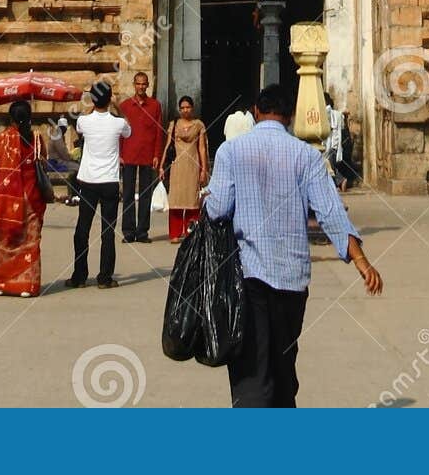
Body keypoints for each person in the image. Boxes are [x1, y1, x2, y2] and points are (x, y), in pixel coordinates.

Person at [204, 85, 383, 407]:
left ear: (256, 113)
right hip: (292, 277)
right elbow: (331, 215)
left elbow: (217, 210)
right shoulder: (307, 156)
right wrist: (362, 261)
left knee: (251, 365)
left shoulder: (231, 152)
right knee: (283, 363)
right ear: (289, 118)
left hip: (248, 274)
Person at [0, 99, 47, 297]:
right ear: (29, 117)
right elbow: (43, 164)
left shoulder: (4, 138)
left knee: (1, 239)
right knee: (28, 242)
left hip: (5, 198)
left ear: (11, 117)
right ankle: (26, 285)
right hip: (31, 198)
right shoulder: (36, 139)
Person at [70, 81, 131, 288]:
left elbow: (80, 124)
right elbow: (128, 129)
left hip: (88, 181)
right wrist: (117, 105)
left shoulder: (84, 122)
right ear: (109, 98)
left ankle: (79, 276)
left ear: (94, 100)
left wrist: (92, 103)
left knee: (82, 229)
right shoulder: (118, 123)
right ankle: (104, 277)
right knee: (108, 232)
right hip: (109, 182)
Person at [118, 71, 163, 245]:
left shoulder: (155, 106)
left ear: (148, 85)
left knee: (146, 194)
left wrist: (157, 154)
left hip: (148, 155)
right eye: (138, 83)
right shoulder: (125, 106)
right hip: (129, 154)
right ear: (134, 85)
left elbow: (159, 132)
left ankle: (142, 231)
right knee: (128, 194)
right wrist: (120, 154)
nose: (141, 87)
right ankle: (128, 231)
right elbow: (120, 132)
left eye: (144, 84)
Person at [160, 94, 209, 243]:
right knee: (176, 199)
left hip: (193, 166)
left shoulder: (198, 125)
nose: (185, 110)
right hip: (177, 165)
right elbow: (168, 145)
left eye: (188, 107)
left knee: (191, 201)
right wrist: (162, 166)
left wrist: (203, 169)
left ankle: (190, 232)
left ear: (192, 108)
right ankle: (175, 233)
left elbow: (202, 148)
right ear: (179, 109)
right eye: (182, 108)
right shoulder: (174, 124)